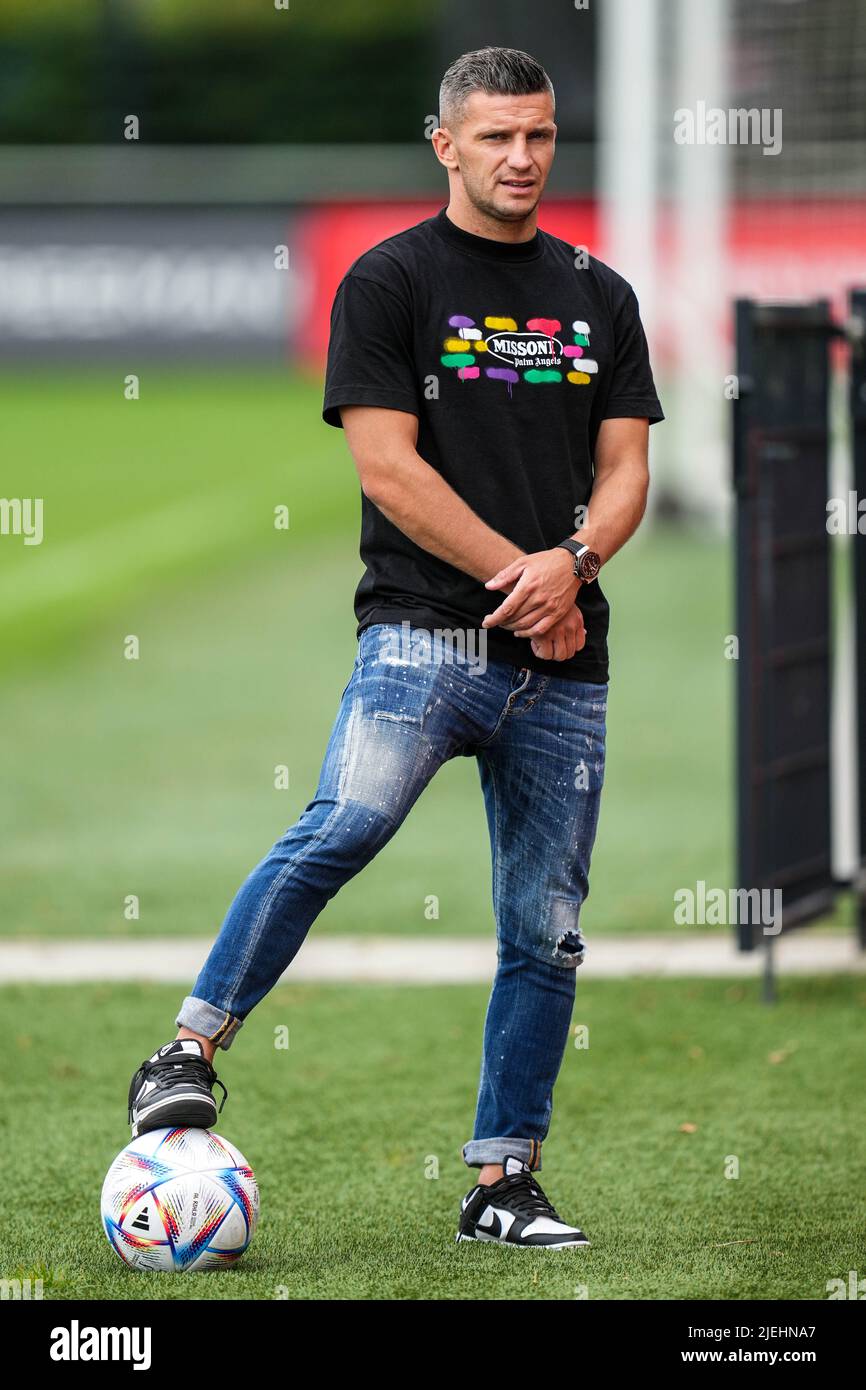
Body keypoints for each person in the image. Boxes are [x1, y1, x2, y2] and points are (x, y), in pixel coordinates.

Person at [128, 46, 663, 1249]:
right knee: (347, 821)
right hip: (422, 635)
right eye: (495, 136)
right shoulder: (390, 279)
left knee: (544, 925)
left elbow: (626, 467)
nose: (520, 157)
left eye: (538, 135)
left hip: (564, 662)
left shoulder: (599, 292)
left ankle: (499, 1182)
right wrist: (527, 576)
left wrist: (572, 566)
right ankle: (188, 1048)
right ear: (444, 144)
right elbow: (387, 468)